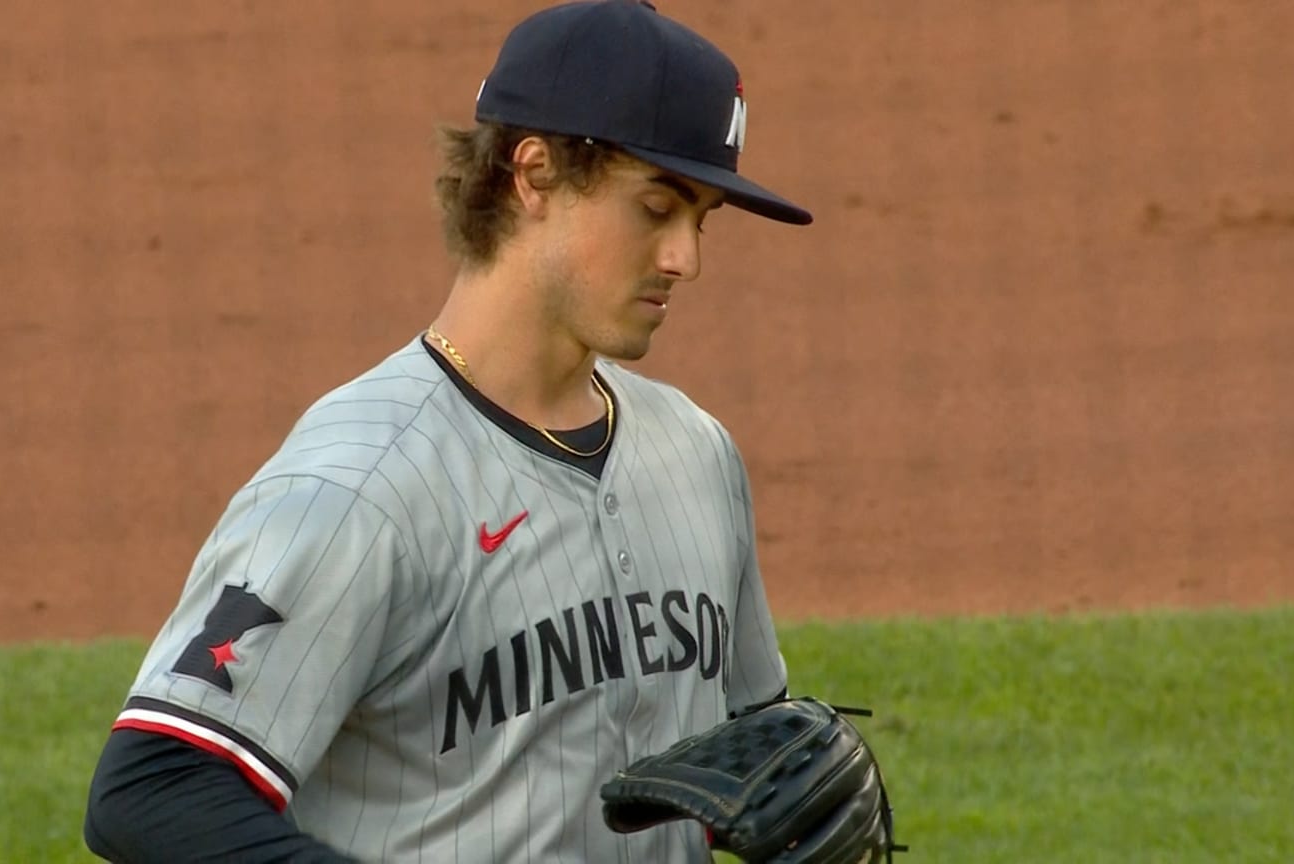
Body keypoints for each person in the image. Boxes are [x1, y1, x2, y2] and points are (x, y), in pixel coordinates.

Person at [83, 1, 814, 861]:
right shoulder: (358, 486)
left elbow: (745, 741)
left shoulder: (695, 453)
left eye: (702, 219)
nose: (685, 257)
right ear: (534, 174)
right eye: (656, 207)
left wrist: (795, 800)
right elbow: (155, 789)